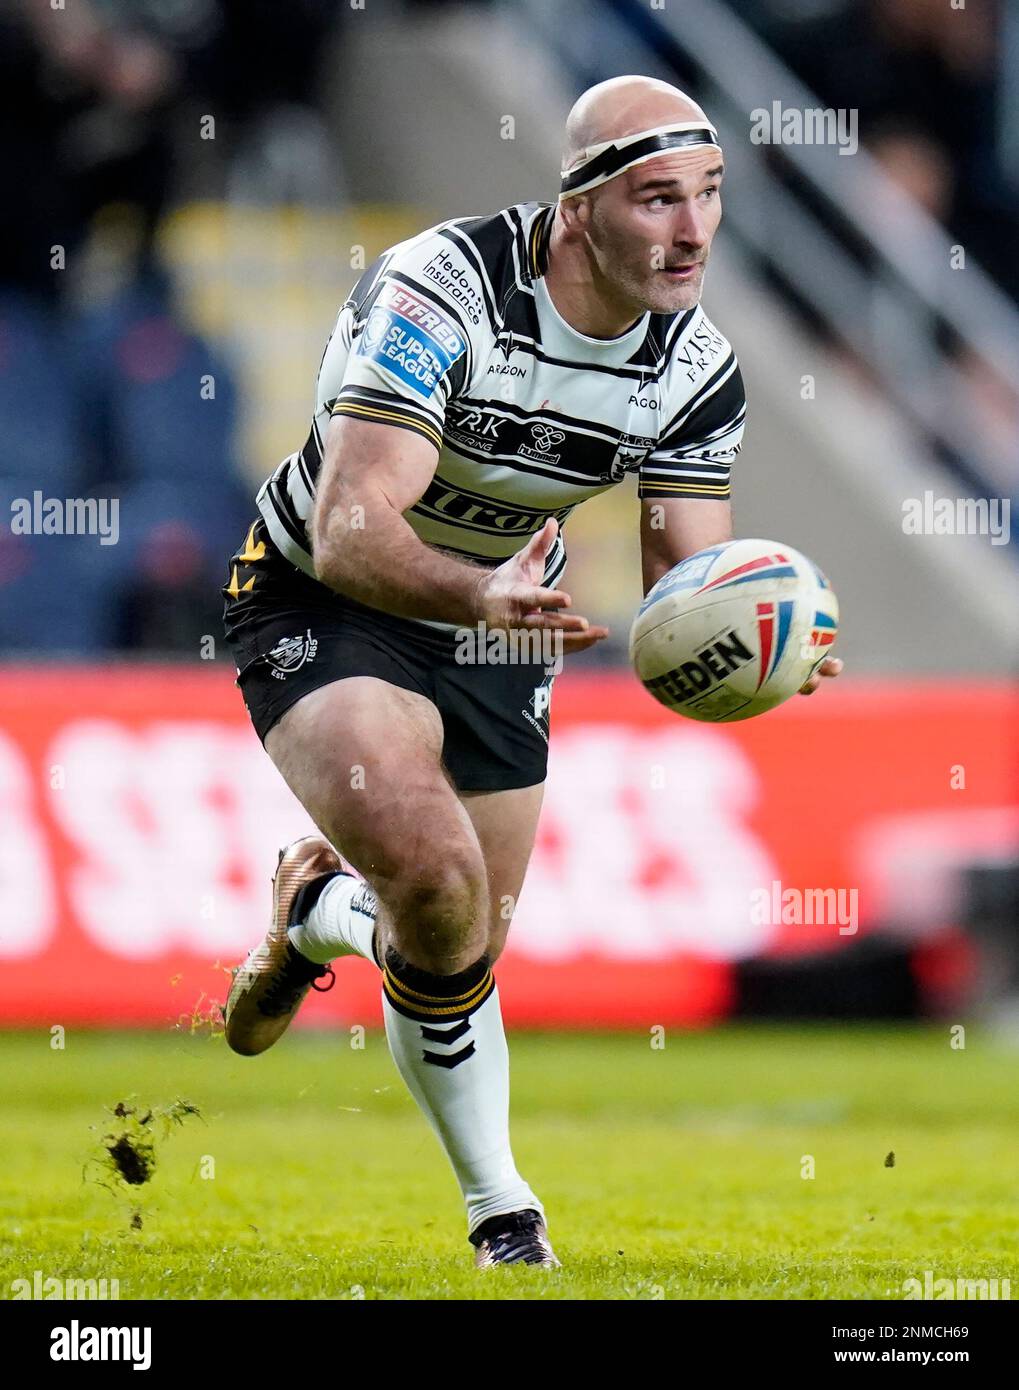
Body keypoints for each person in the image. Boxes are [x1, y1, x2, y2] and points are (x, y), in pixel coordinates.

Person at [220, 75, 842, 1269]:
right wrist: (478, 592)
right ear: (578, 209)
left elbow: (681, 592)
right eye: (659, 198)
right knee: (437, 874)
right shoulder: (442, 291)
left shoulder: (697, 368)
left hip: (503, 631)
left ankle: (314, 917)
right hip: (331, 597)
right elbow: (356, 523)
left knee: (455, 943)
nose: (693, 229)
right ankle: (503, 1212)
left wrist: (757, 647)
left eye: (708, 196)